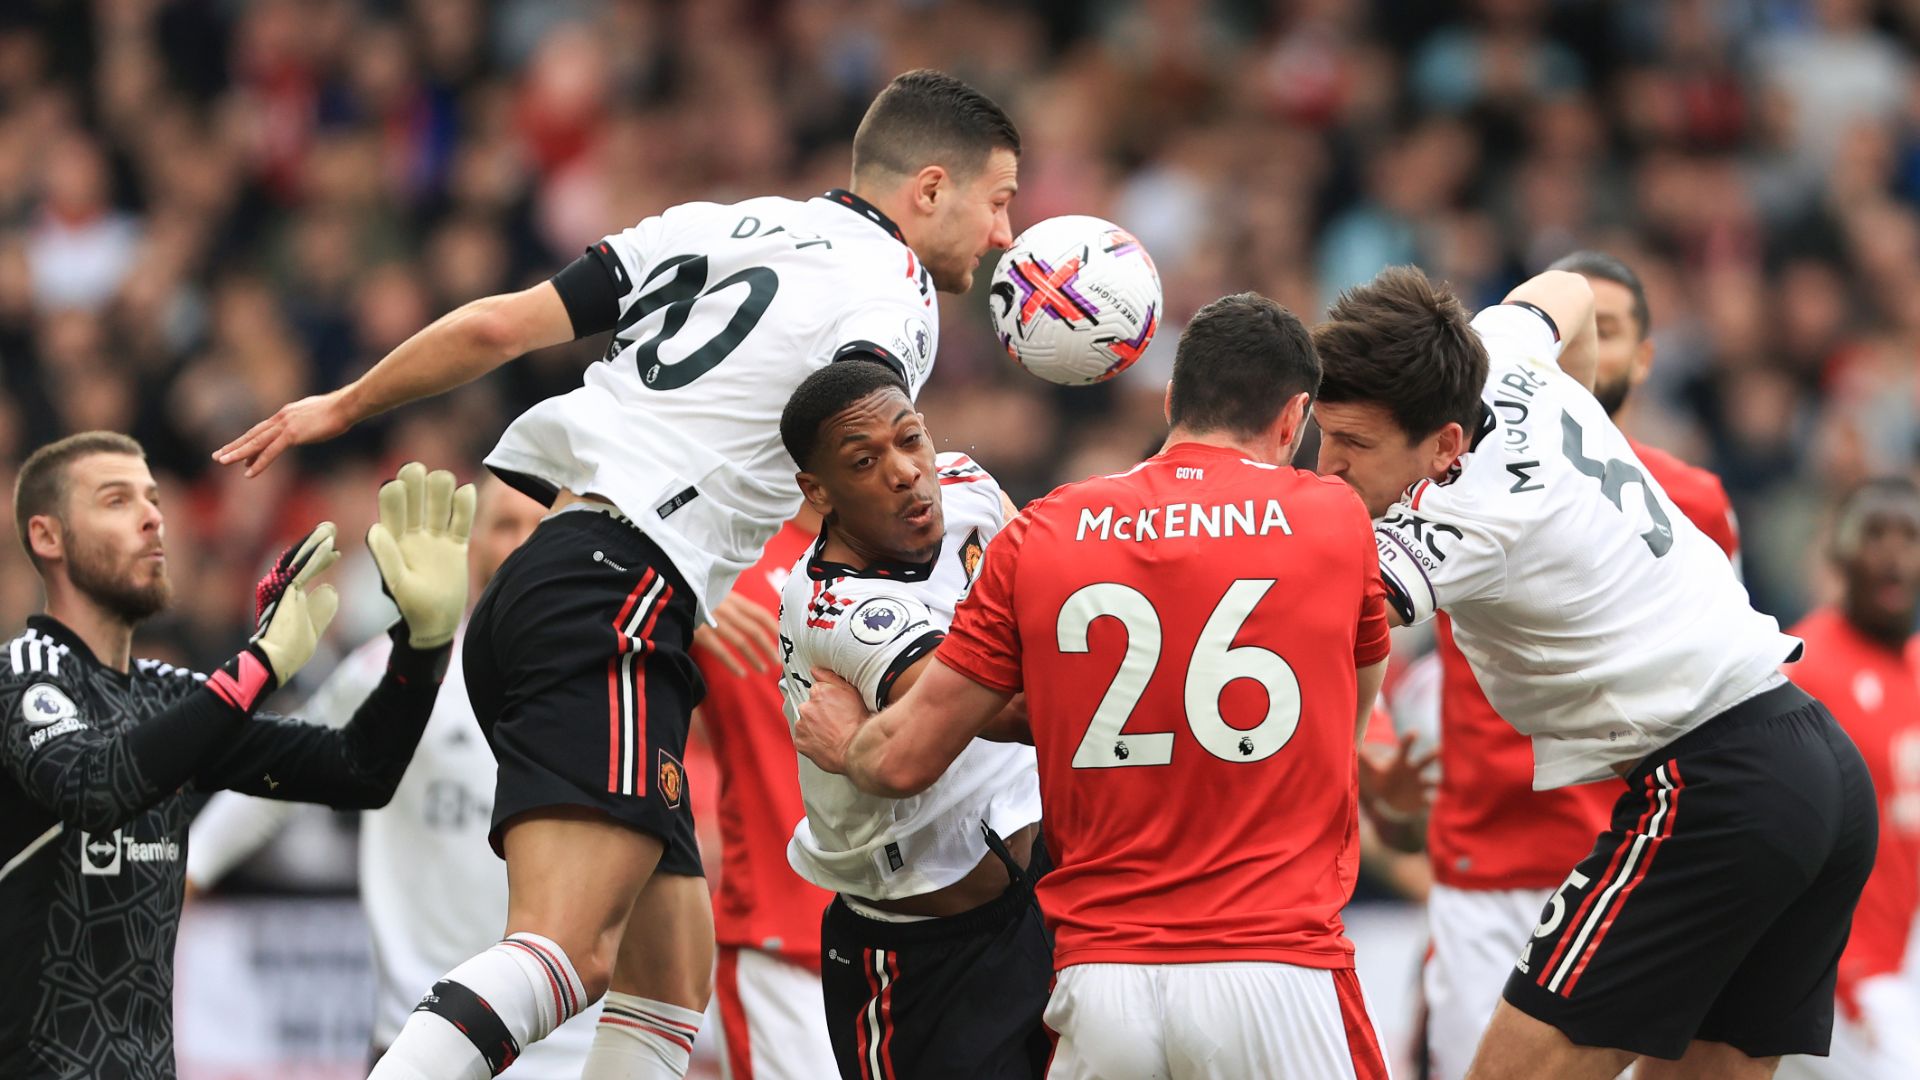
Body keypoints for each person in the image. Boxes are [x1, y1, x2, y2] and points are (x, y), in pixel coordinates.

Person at [216, 69, 1019, 1080]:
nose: (1001, 237)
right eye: (1000, 203)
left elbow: (500, 326)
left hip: (551, 574)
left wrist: (342, 403)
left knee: (668, 973)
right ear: (931, 189)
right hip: (623, 588)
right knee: (568, 950)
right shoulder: (895, 292)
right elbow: (863, 455)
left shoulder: (712, 227)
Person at [794, 294, 1395, 1079]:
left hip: (1100, 979)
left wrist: (845, 746)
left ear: (1174, 399)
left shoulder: (1047, 529)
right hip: (1273, 959)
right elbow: (1345, 726)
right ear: (1294, 419)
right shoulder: (1334, 518)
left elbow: (902, 761)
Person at [1310, 265, 1874, 1080]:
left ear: (1445, 445)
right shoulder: (1495, 353)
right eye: (1325, 433)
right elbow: (1568, 289)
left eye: (1354, 445)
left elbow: (1320, 614)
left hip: (1715, 788)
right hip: (1814, 762)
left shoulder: (1467, 522)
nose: (1328, 464)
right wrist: (1575, 413)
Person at [0, 433, 470, 1079]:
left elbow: (359, 771)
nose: (152, 517)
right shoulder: (22, 675)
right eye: (116, 500)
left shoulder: (170, 694)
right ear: (47, 537)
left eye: (154, 499)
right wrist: (258, 666)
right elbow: (94, 787)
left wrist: (423, 648)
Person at [1389, 251, 1742, 1080]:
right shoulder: (1452, 481)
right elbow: (1387, 652)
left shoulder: (1696, 499)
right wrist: (1378, 756)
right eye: (1587, 328)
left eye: (1612, 333)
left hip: (1640, 852)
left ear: (1645, 357)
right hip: (1490, 862)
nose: (1592, 349)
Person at [183, 476, 605, 1076]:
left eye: (539, 528)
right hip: (420, 1040)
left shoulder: (617, 685)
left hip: (568, 1054)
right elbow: (284, 775)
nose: (519, 543)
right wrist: (188, 873)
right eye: (504, 524)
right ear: (472, 543)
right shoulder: (399, 673)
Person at [775, 360, 1048, 1079]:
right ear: (818, 492)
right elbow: (1012, 710)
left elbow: (1052, 618)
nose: (906, 472)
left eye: (911, 440)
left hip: (1046, 898)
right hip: (921, 957)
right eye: (865, 461)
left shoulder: (966, 484)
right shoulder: (835, 604)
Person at [1774, 480, 1920, 1080]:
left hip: (1901, 953)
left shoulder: (1913, 669)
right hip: (1841, 965)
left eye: (1909, 537)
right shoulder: (1806, 672)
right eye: (1874, 535)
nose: (1893, 555)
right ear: (1839, 552)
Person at [688, 508, 840, 1080]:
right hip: (785, 949)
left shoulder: (940, 558)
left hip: (930, 948)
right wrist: (676, 603)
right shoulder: (721, 563)